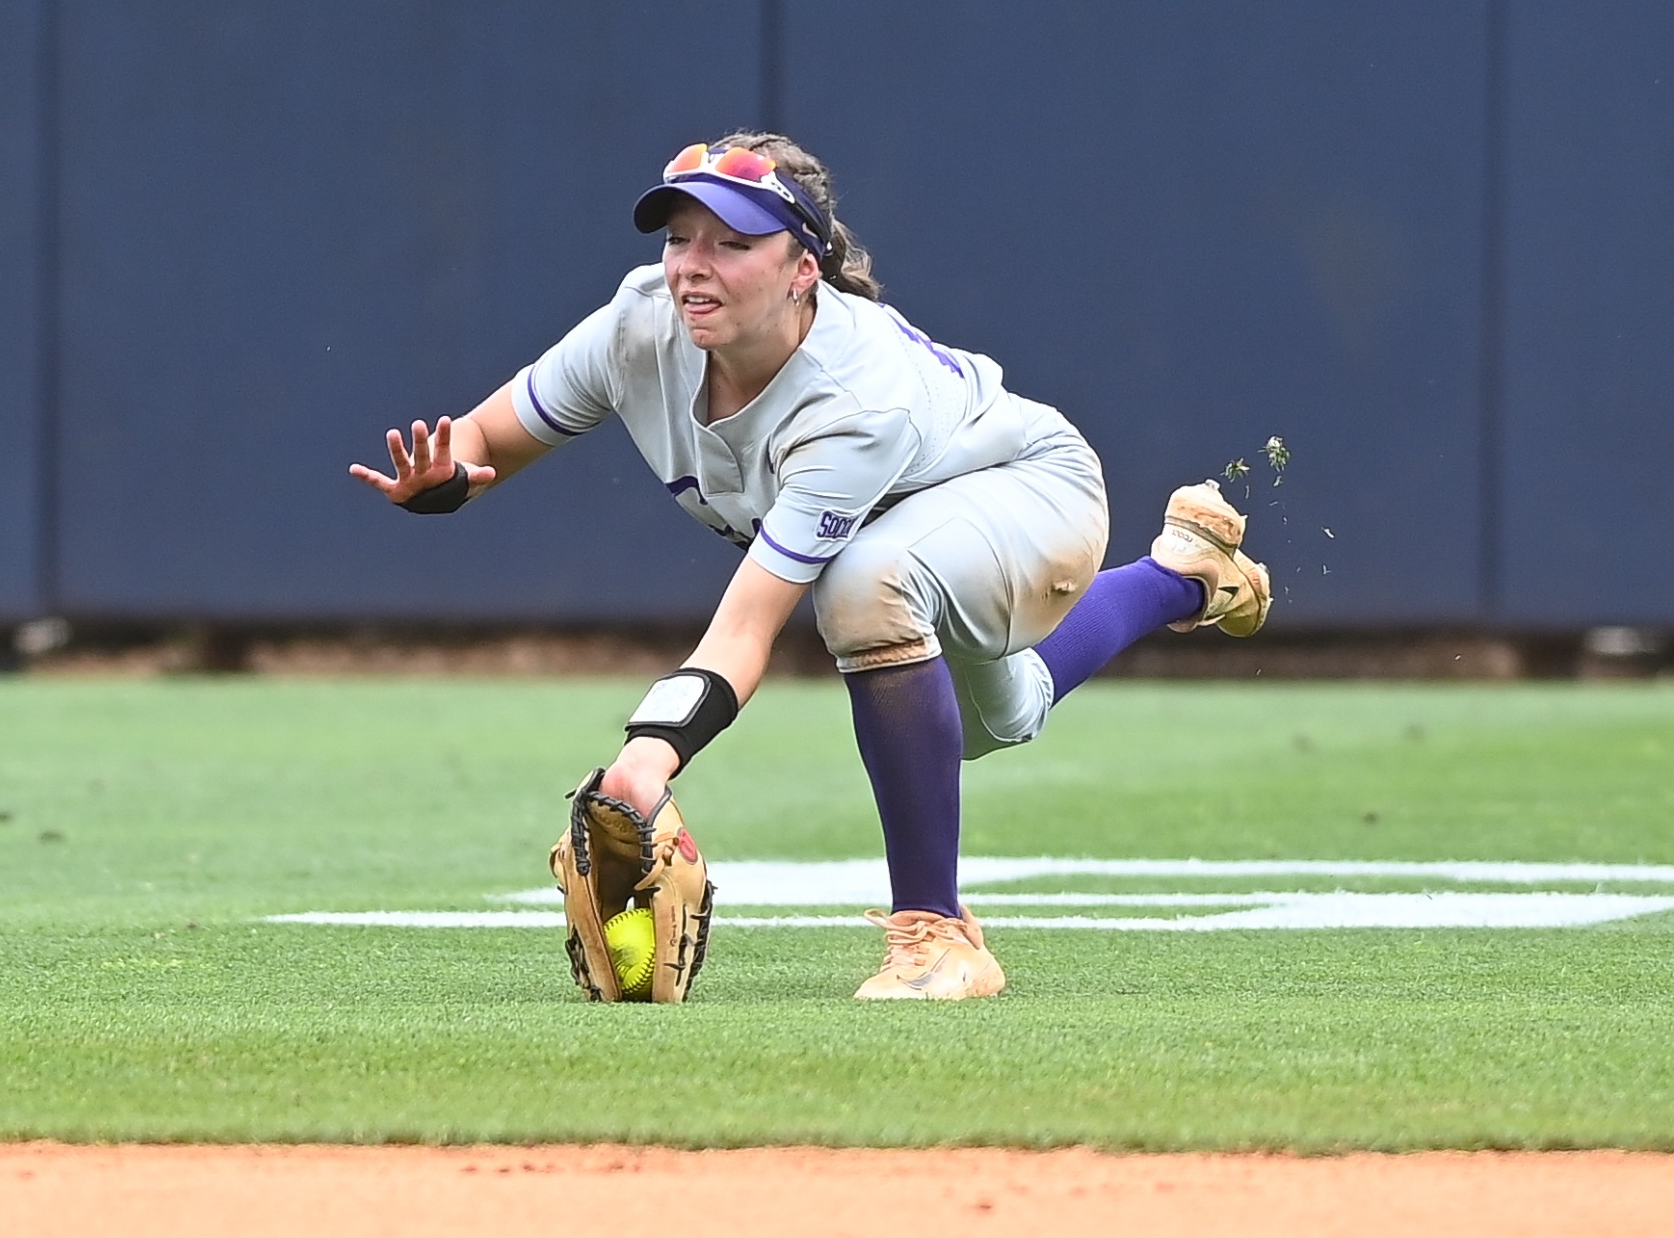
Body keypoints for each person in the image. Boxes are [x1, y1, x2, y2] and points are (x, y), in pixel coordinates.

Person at [350, 134, 1270, 1000]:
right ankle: (1185, 572)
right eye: (680, 238)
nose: (692, 264)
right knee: (999, 714)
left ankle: (935, 932)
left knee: (864, 584)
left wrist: (645, 759)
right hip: (920, 527)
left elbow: (745, 628)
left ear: (803, 269)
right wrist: (443, 479)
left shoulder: (849, 396)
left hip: (1030, 491)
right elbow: (482, 440)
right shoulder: (641, 325)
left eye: (731, 241)